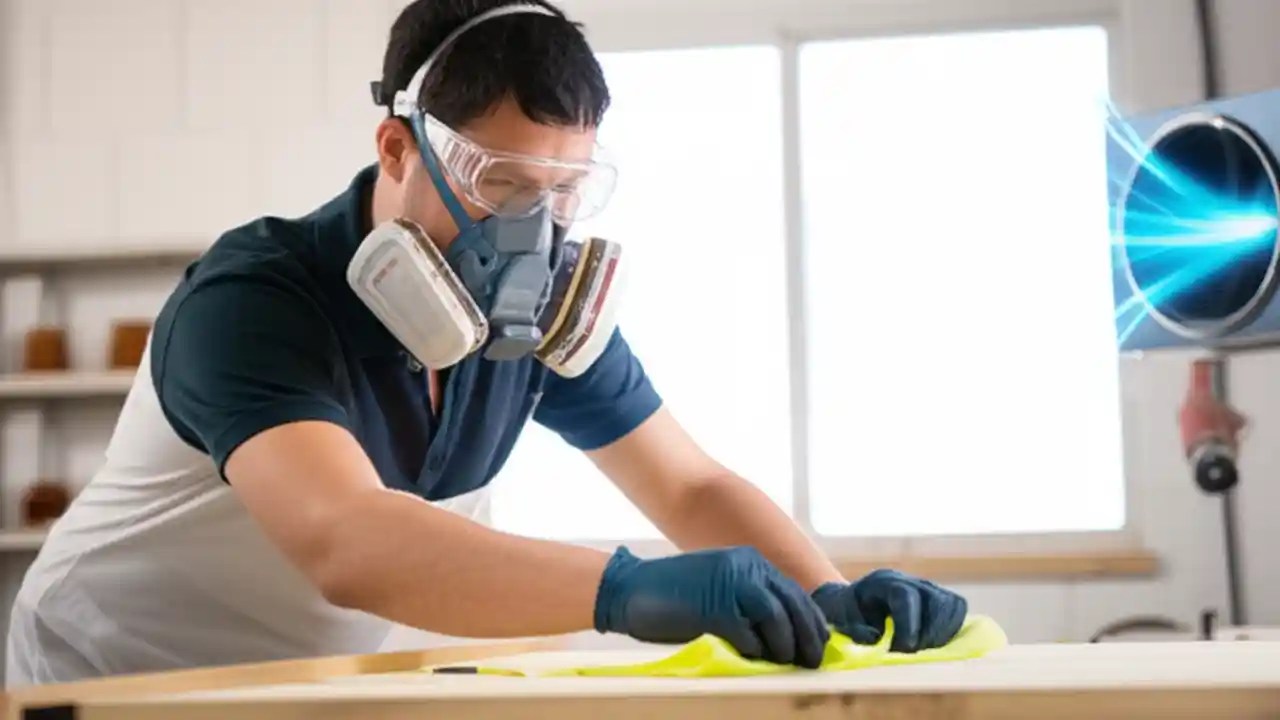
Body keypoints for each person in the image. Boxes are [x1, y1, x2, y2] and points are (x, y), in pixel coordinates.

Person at [5, 0, 967, 686]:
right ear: (397, 149)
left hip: (296, 684)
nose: (533, 230)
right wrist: (627, 591)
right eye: (500, 184)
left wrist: (828, 600)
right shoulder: (256, 301)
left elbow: (687, 486)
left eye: (564, 191)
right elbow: (346, 538)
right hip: (103, 680)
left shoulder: (543, 315)